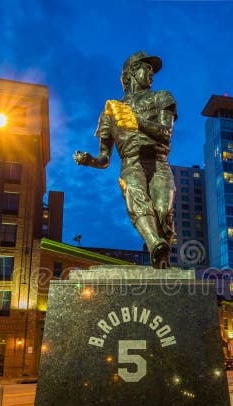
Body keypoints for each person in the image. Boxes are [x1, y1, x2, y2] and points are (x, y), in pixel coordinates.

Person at [74, 51, 177, 268]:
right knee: (133, 193)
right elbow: (105, 158)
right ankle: (155, 244)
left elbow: (166, 133)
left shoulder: (161, 97)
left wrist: (137, 121)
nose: (151, 73)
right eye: (146, 67)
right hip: (131, 164)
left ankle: (162, 257)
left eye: (152, 69)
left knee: (163, 211)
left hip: (158, 162)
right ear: (131, 72)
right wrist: (90, 160)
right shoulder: (111, 111)